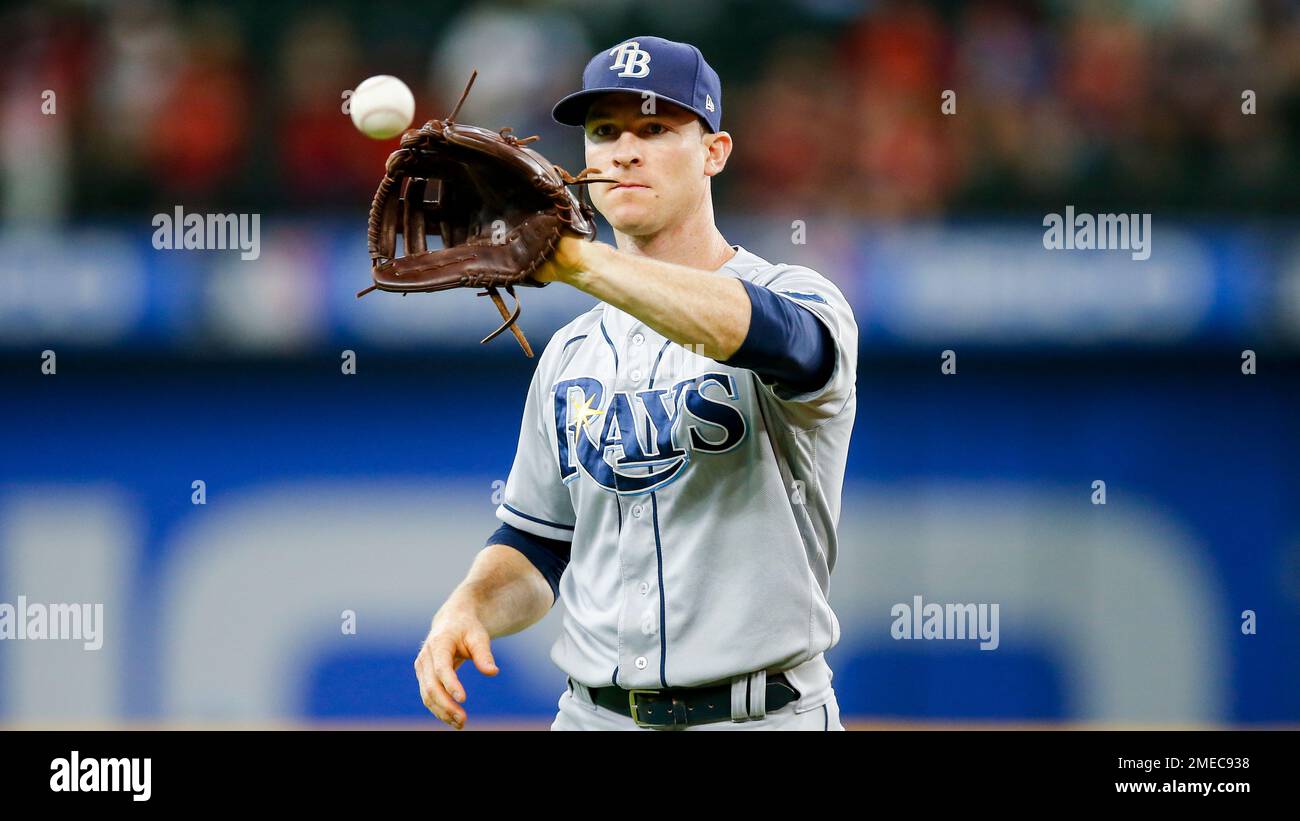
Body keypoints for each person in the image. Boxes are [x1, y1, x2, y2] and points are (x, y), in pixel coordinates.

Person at [413, 35, 858, 730]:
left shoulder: (799, 297)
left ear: (715, 151)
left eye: (655, 128)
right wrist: (467, 604)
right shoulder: (570, 353)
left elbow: (769, 335)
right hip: (595, 716)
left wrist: (575, 262)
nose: (624, 150)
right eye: (604, 130)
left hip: (762, 715)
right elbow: (538, 544)